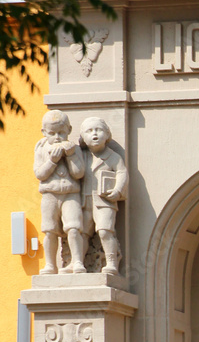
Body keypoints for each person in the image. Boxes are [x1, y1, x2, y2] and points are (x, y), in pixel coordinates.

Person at [33, 109, 86, 274]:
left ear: (69, 130)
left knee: (74, 227)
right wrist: (52, 161)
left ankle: (77, 261)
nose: (57, 137)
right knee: (49, 230)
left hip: (70, 194)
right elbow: (40, 174)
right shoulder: (41, 148)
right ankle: (50, 264)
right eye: (52, 133)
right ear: (44, 132)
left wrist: (71, 156)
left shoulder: (74, 149)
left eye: (61, 133)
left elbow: (79, 173)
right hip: (50, 195)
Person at [80, 117, 128, 276]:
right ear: (83, 137)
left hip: (104, 201)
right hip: (84, 200)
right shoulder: (82, 155)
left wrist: (117, 191)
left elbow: (122, 173)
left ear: (107, 134)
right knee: (82, 232)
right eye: (89, 131)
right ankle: (77, 262)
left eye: (99, 130)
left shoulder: (113, 157)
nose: (94, 134)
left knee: (105, 230)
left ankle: (112, 262)